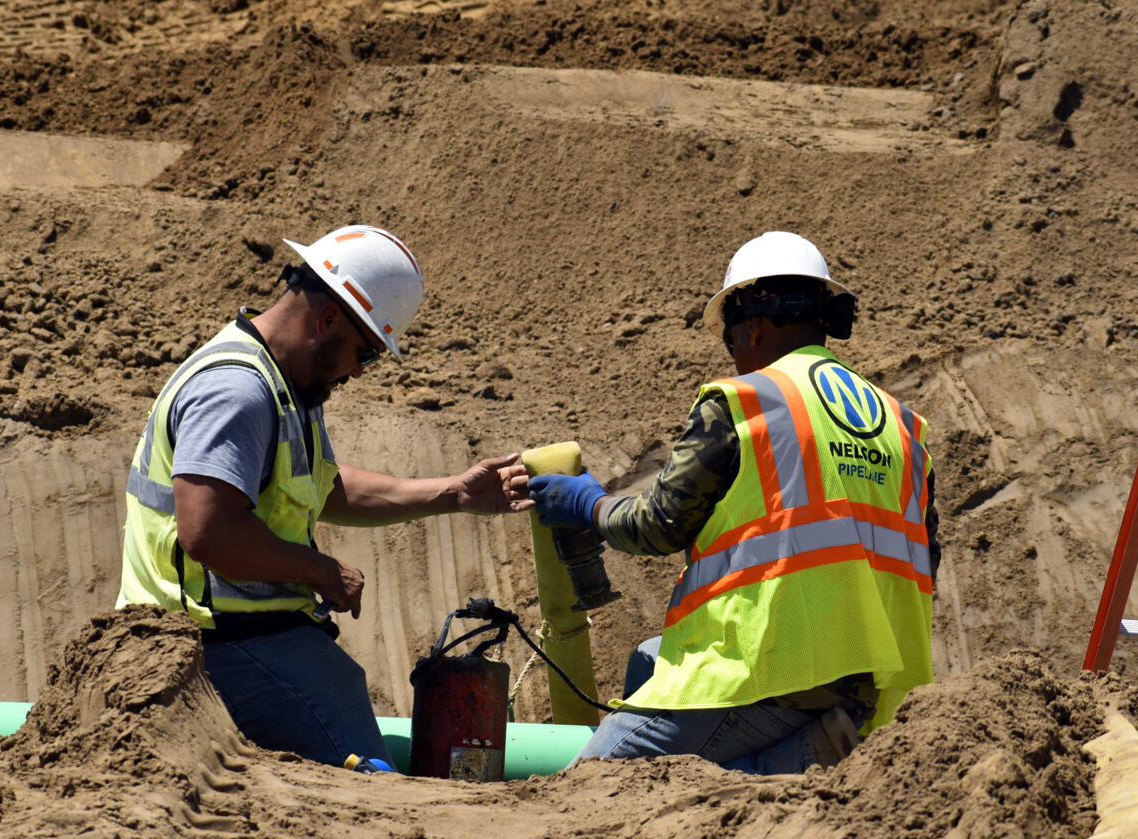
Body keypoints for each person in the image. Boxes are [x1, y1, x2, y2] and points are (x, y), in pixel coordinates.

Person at [525, 231, 939, 774]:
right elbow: (925, 557)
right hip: (868, 677)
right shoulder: (905, 427)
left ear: (755, 325)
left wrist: (589, 504)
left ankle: (791, 763)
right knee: (648, 659)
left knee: (593, 783)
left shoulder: (748, 402)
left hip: (766, 668)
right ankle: (814, 749)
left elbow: (659, 524)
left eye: (730, 337)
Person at [117, 225, 527, 769]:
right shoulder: (238, 390)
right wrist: (319, 570)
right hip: (217, 644)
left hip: (240, 635)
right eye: (366, 352)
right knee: (364, 784)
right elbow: (207, 532)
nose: (359, 370)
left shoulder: (285, 382)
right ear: (329, 318)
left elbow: (322, 487)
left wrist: (453, 492)